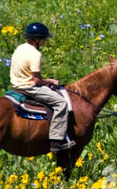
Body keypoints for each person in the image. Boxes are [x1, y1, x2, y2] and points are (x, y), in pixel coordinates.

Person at [9, 22, 75, 151]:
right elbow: (37, 80)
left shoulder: (20, 48)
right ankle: (57, 141)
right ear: (37, 39)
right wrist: (50, 81)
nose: (45, 41)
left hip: (17, 85)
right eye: (44, 38)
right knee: (61, 103)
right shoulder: (35, 54)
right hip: (29, 87)